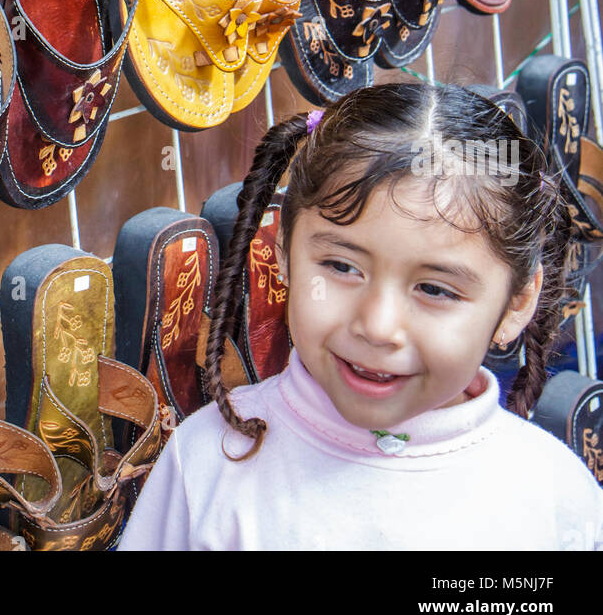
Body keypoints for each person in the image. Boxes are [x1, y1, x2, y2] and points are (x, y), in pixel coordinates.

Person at [118, 82, 603, 551]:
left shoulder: (556, 500)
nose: (376, 325)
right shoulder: (205, 463)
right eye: (341, 266)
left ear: (516, 303)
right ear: (284, 252)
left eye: (435, 289)